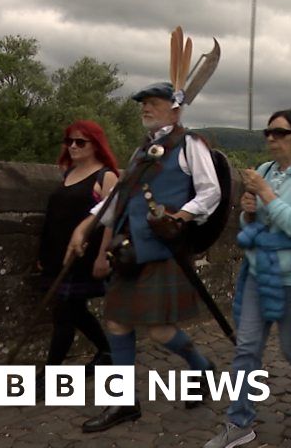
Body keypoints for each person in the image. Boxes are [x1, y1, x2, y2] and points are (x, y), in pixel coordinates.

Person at [67, 79, 221, 433]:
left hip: (162, 248)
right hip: (130, 249)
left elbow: (210, 191)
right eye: (143, 103)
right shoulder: (143, 150)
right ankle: (124, 403)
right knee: (117, 322)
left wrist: (180, 216)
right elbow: (118, 197)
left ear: (175, 108)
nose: (145, 108)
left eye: (154, 102)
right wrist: (86, 226)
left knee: (159, 331)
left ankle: (201, 367)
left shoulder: (189, 143)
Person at [205, 110, 291, 448]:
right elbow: (252, 227)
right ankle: (240, 422)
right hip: (259, 273)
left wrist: (264, 194)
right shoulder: (264, 170)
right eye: (268, 132)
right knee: (246, 348)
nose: (271, 138)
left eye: (279, 132)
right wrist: (248, 211)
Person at [36, 121, 119, 383]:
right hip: (56, 253)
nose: (73, 146)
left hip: (82, 256)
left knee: (64, 314)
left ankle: (49, 377)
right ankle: (107, 351)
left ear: (96, 145)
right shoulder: (67, 174)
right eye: (69, 141)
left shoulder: (105, 177)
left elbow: (113, 219)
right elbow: (54, 218)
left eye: (80, 142)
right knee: (75, 310)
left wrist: (102, 255)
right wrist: (42, 253)